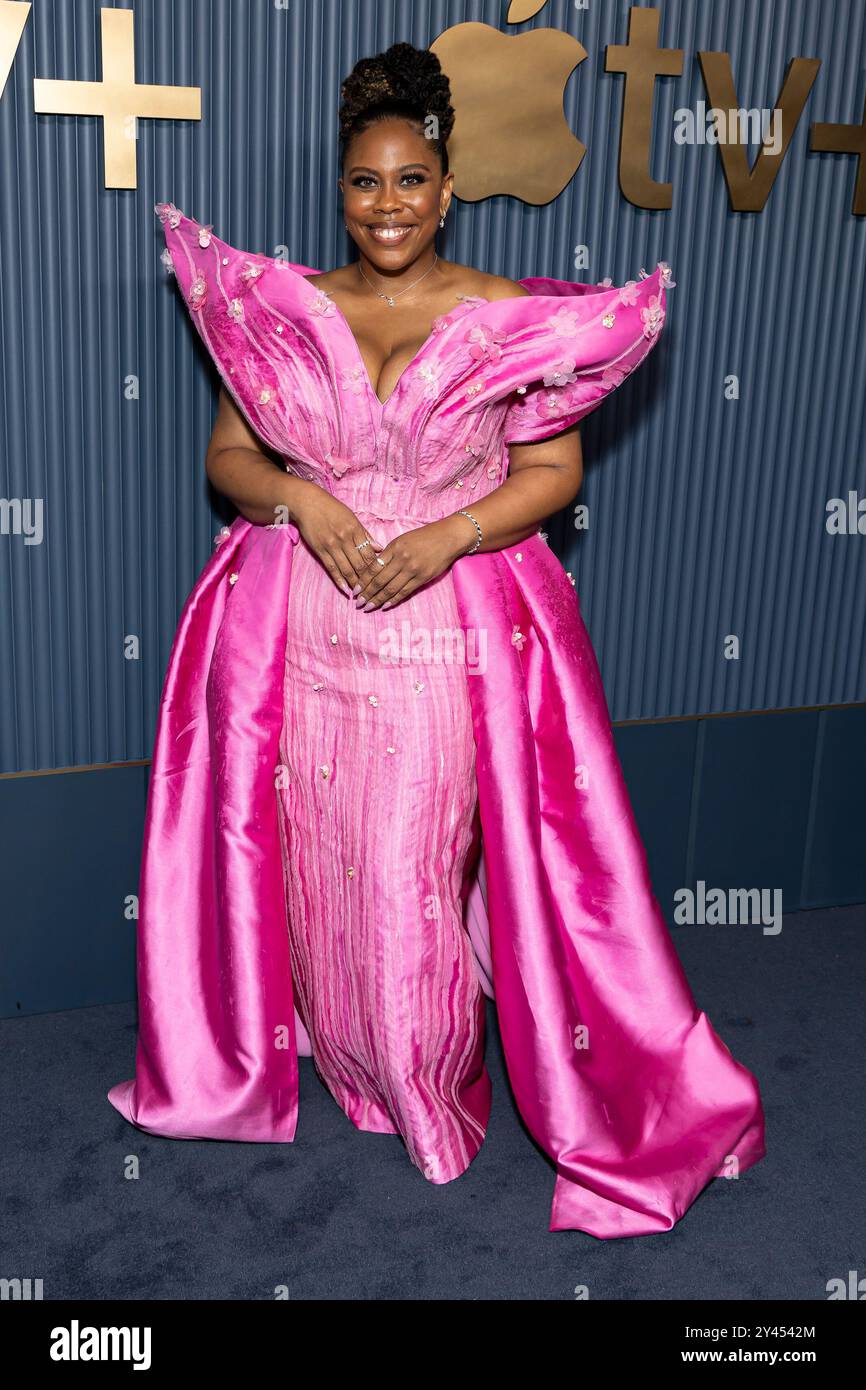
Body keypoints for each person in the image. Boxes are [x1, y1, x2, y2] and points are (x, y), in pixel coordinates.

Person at [108, 42, 766, 1237]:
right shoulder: (286, 311)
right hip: (298, 620)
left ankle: (423, 1091)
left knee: (411, 861)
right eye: (365, 182)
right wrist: (299, 498)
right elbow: (229, 457)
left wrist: (448, 535)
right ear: (341, 191)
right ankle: (347, 1066)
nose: (388, 203)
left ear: (446, 186)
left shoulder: (505, 312)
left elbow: (551, 473)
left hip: (438, 626)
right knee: (317, 858)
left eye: (410, 179)